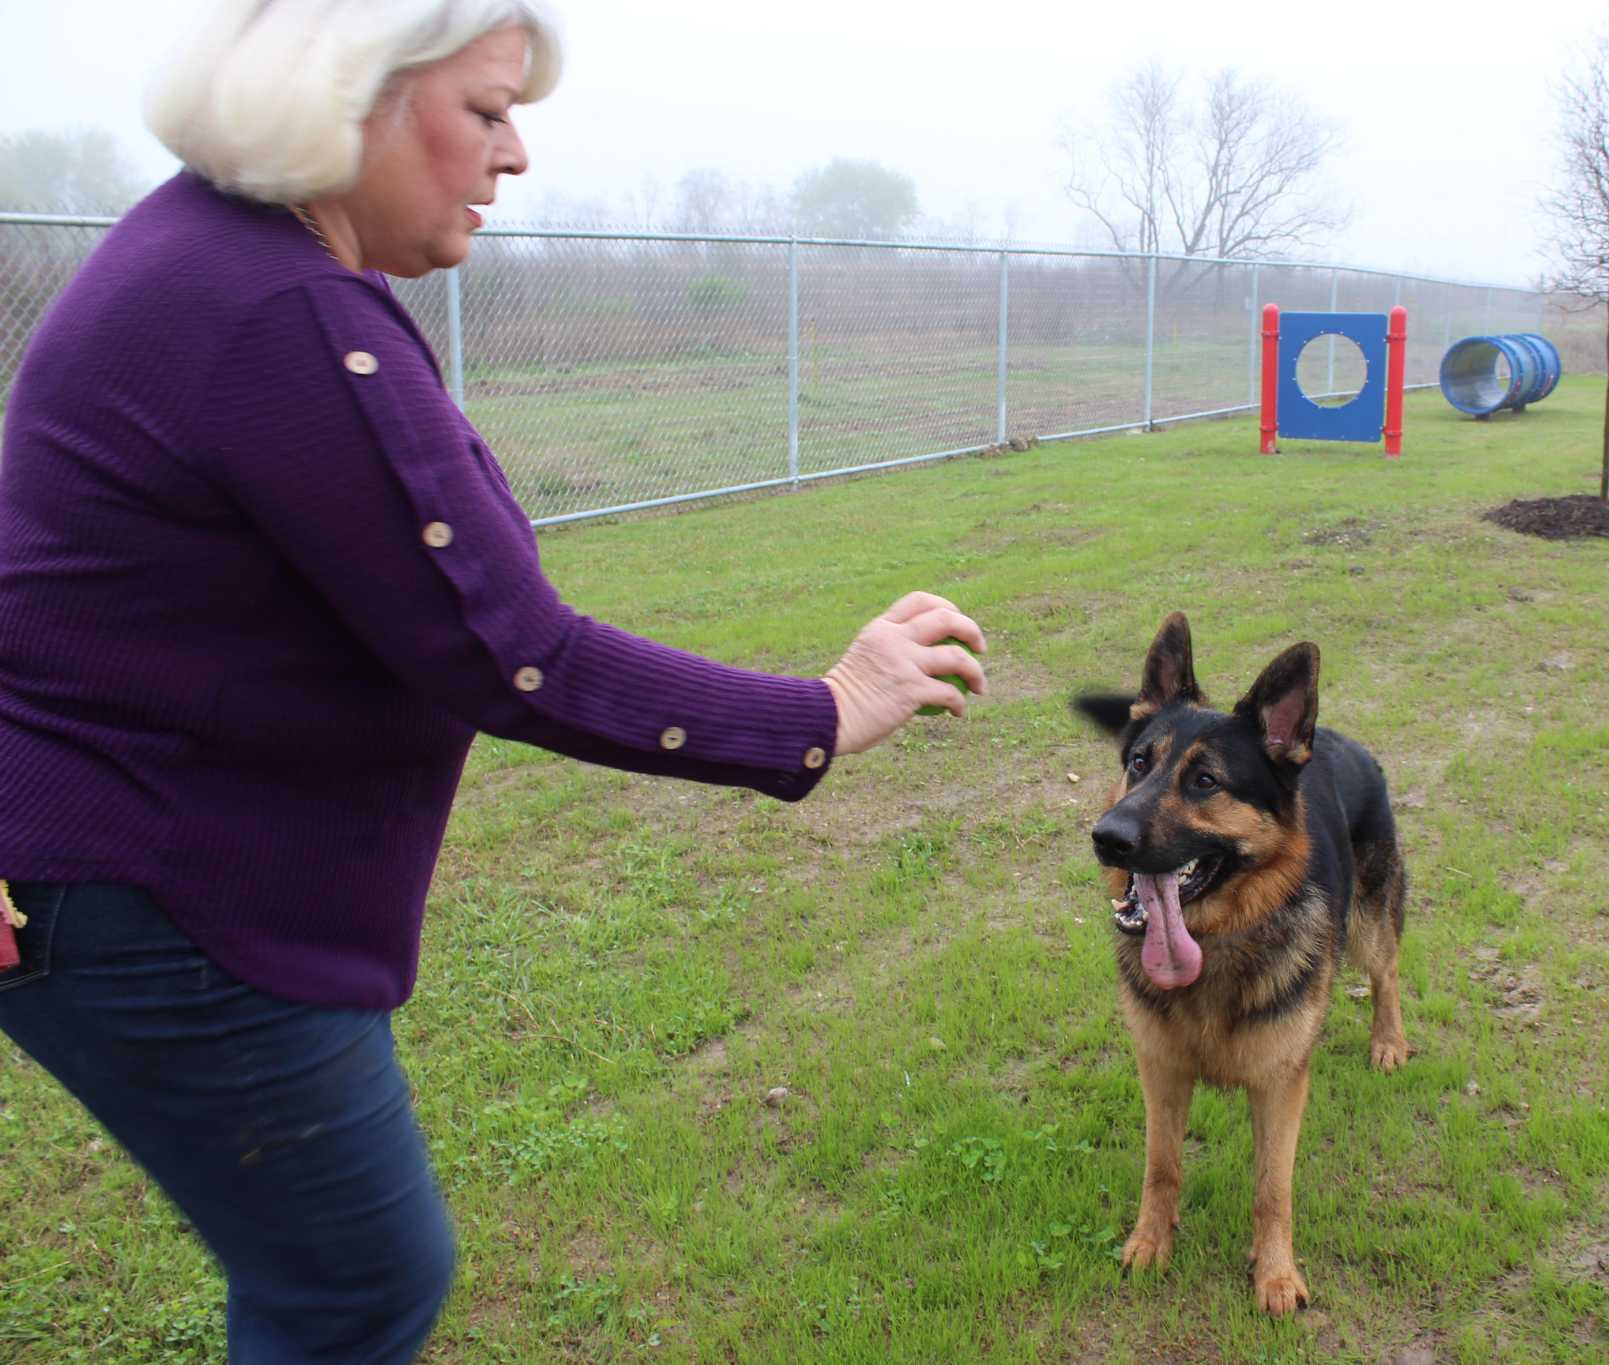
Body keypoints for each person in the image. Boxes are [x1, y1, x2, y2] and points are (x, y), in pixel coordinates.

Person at [0, 2, 986, 1360]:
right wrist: (823, 708)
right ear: (343, 95)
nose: (514, 154)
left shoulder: (231, 265)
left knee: (323, 1270)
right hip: (160, 902)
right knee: (354, 1279)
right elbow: (512, 648)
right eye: (484, 110)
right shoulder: (273, 305)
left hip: (144, 879)